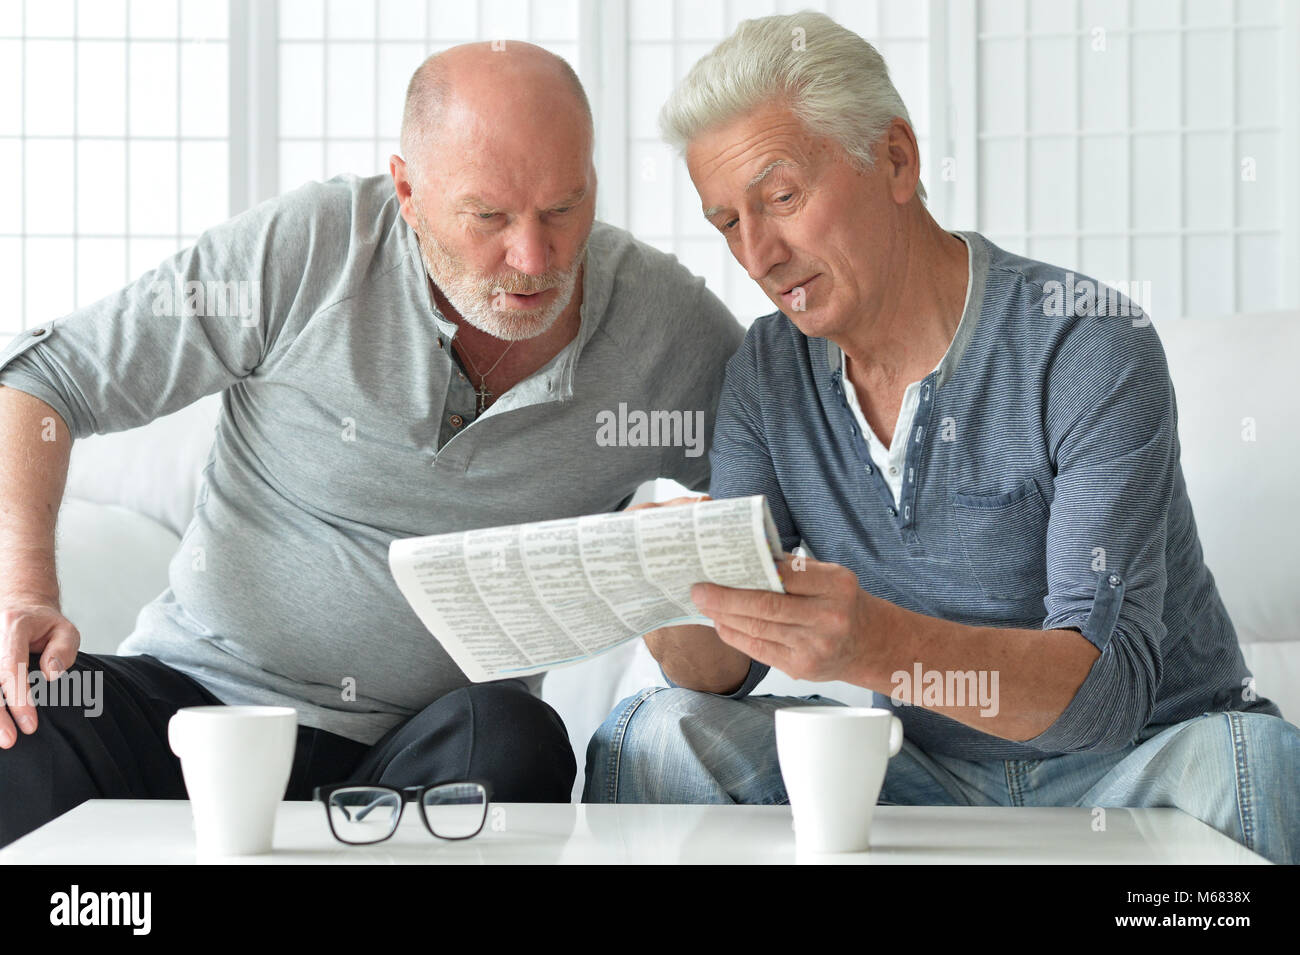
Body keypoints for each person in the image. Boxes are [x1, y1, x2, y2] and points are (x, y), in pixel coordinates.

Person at [583, 12, 1300, 865]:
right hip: (924, 772)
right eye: (727, 222)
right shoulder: (767, 375)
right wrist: (665, 594)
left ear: (896, 159)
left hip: (1139, 766)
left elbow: (1105, 693)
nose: (760, 254)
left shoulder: (1087, 346)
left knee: (1255, 761)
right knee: (657, 730)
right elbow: (722, 673)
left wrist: (877, 642)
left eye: (781, 198)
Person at [0, 41, 743, 847]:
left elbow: (788, 479)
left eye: (563, 209)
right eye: (488, 216)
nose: (533, 259)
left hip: (425, 750)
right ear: (407, 194)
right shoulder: (312, 246)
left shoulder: (665, 329)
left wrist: (694, 561)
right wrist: (27, 593)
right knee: (28, 717)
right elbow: (47, 380)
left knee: (517, 737)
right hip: (198, 704)